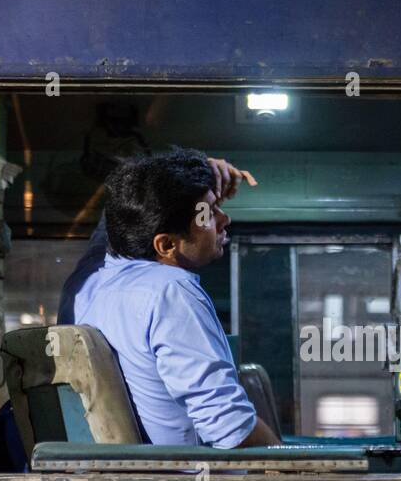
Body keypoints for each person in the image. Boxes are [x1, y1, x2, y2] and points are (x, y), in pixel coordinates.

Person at [71, 149, 280, 448]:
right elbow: (229, 426)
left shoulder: (85, 283)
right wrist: (292, 467)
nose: (224, 218)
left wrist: (189, 177)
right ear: (167, 244)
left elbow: (121, 215)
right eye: (207, 214)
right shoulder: (171, 290)